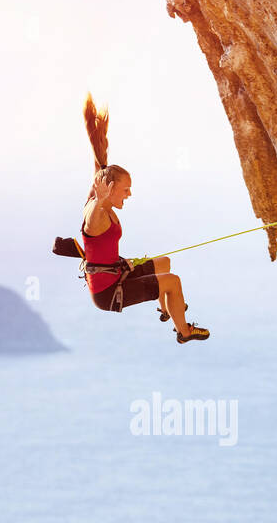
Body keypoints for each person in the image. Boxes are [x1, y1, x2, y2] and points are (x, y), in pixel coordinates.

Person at [79, 94, 209, 343]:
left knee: (164, 263)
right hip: (109, 292)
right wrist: (102, 200)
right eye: (125, 189)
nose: (129, 194)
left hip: (115, 273)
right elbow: (93, 221)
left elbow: (98, 169)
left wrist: (98, 139)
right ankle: (184, 332)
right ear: (109, 187)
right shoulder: (96, 215)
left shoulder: (97, 196)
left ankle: (165, 310)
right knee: (173, 282)